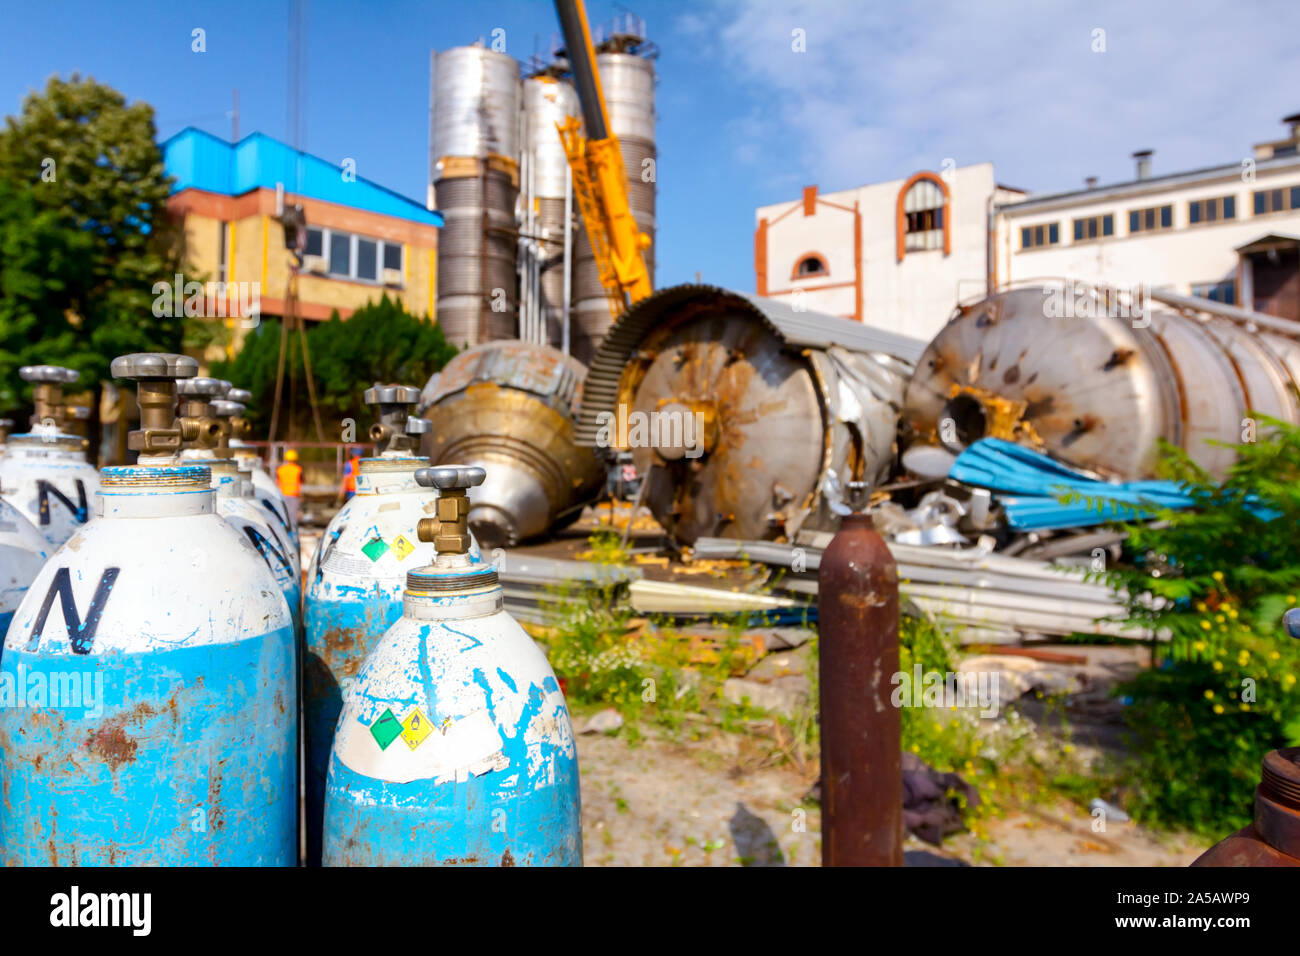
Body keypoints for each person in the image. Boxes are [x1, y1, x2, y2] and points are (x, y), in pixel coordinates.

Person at [277, 448, 303, 527]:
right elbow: (302, 480)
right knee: (293, 517)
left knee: (284, 515)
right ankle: (293, 532)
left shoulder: (280, 469)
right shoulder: (298, 469)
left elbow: (277, 481)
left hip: (283, 494)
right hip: (294, 494)